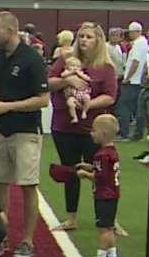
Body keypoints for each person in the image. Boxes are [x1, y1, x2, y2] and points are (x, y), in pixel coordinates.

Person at [0, 11, 49, 257]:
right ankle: (1, 235)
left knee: (28, 185)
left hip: (26, 130)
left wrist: (8, 106)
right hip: (2, 129)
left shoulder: (32, 59)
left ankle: (28, 239)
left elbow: (43, 99)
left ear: (10, 31)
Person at [46, 22, 119, 232]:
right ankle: (71, 217)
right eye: (82, 36)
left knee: (101, 174)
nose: (84, 40)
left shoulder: (106, 68)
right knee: (70, 171)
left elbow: (110, 97)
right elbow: (49, 83)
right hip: (64, 126)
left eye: (89, 37)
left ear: (98, 41)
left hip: (92, 129)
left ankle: (107, 219)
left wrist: (87, 104)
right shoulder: (65, 60)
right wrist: (67, 82)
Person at [78, 114, 123, 257]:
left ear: (103, 133)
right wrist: (88, 166)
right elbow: (104, 170)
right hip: (113, 194)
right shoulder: (112, 152)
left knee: (103, 228)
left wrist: (85, 175)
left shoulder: (101, 154)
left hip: (104, 195)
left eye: (94, 130)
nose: (91, 133)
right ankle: (112, 255)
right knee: (109, 226)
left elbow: (100, 176)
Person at [117, 21, 149, 141]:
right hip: (136, 81)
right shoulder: (142, 43)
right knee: (136, 108)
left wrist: (127, 78)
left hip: (133, 81)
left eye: (131, 32)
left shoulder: (139, 44)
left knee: (124, 106)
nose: (130, 35)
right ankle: (136, 133)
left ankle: (124, 132)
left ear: (137, 32)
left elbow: (135, 62)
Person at [59, 54, 93, 124]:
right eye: (72, 66)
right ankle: (74, 117)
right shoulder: (67, 72)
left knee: (87, 98)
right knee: (70, 103)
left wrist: (79, 74)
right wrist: (71, 72)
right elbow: (62, 75)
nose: (75, 68)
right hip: (71, 94)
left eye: (77, 66)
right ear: (67, 66)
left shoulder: (81, 73)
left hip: (81, 93)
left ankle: (84, 111)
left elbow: (88, 79)